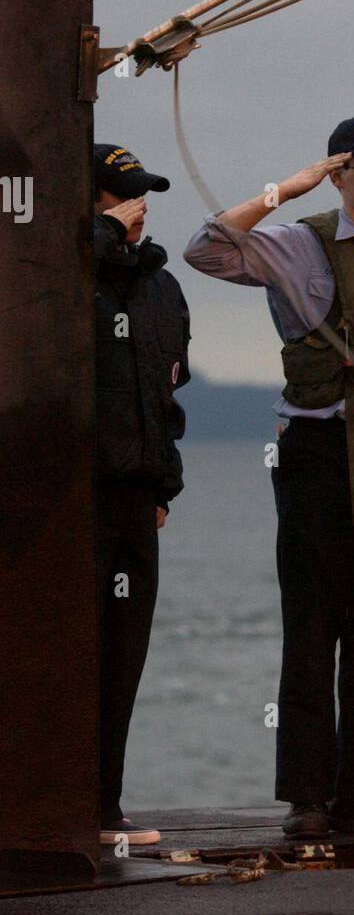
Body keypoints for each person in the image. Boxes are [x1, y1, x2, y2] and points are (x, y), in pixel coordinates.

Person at [184, 114, 354, 836]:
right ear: (339, 175)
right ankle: (308, 797)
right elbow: (205, 250)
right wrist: (286, 187)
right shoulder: (296, 244)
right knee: (310, 628)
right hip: (317, 455)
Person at [93, 144, 191, 845]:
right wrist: (95, 240)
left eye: (142, 194)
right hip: (67, 499)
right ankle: (45, 802)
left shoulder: (160, 286)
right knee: (60, 650)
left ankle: (102, 805)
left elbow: (167, 393)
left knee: (123, 654)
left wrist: (165, 485)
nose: (136, 207)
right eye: (117, 197)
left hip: (136, 497)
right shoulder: (51, 272)